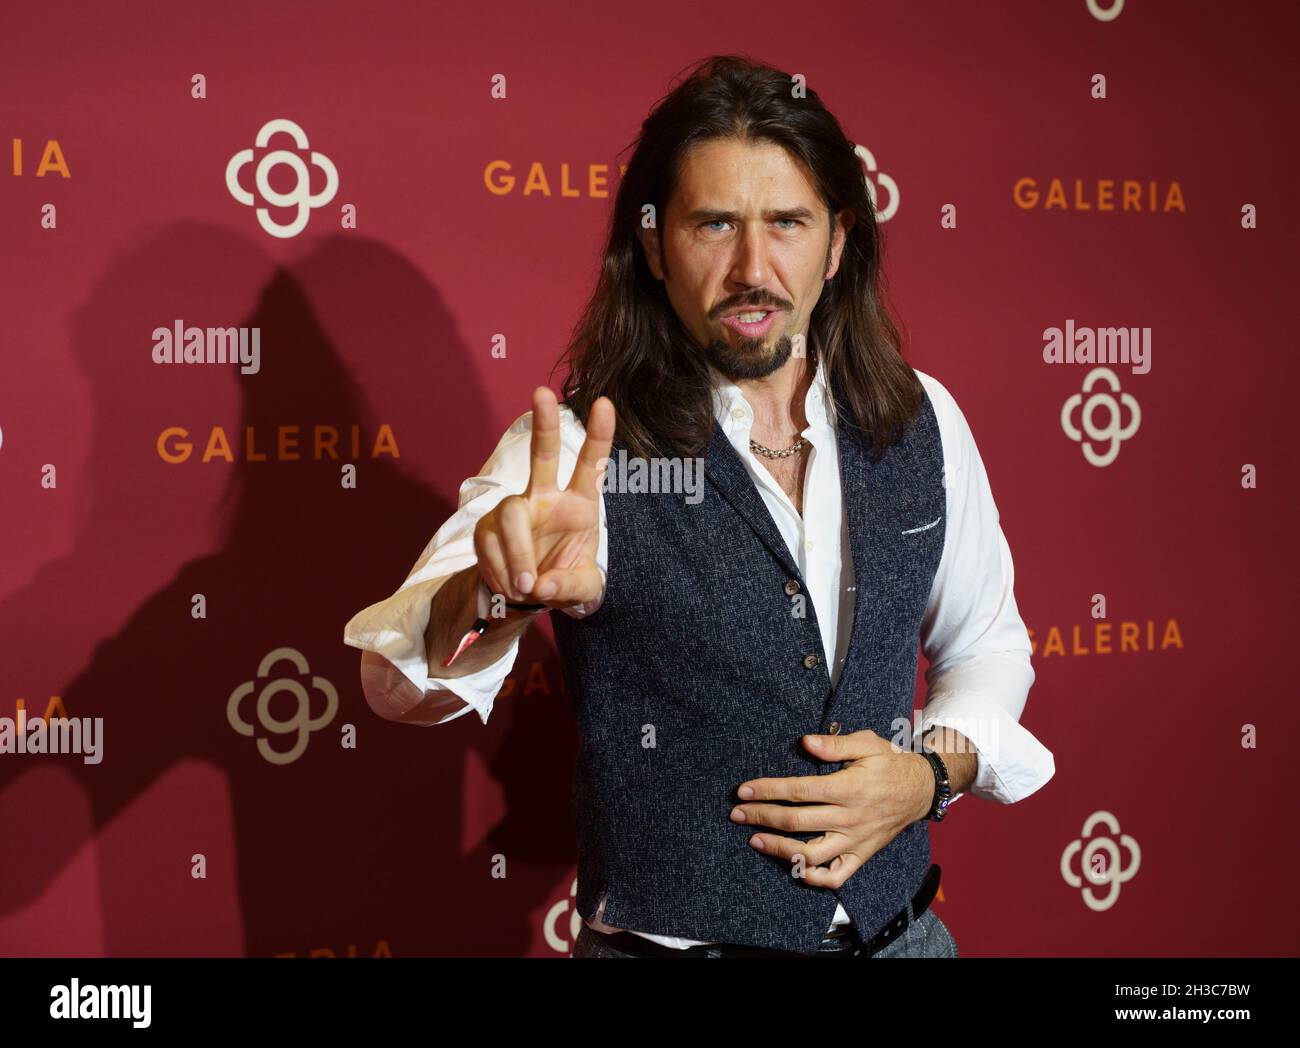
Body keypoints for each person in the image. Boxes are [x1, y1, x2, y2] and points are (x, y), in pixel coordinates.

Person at [344, 54, 1054, 958]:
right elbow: (391, 686)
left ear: (838, 244)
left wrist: (928, 775)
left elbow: (987, 648)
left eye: (787, 224)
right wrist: (499, 595)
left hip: (906, 939)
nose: (753, 270)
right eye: (714, 224)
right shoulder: (572, 452)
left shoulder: (923, 421)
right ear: (653, 245)